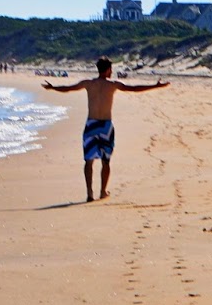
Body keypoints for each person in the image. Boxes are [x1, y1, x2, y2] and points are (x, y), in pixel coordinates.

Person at [42, 57, 169, 201]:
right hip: (106, 126)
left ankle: (90, 193)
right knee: (106, 160)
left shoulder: (88, 83)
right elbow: (133, 89)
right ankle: (102, 191)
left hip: (91, 125)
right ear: (108, 69)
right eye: (111, 69)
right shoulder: (112, 85)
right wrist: (155, 86)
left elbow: (68, 89)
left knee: (89, 160)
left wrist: (53, 87)